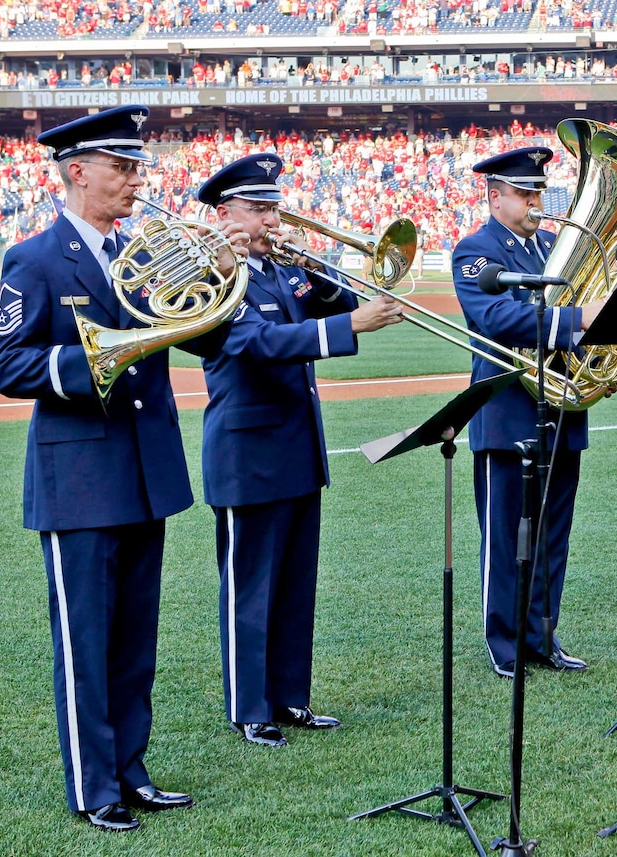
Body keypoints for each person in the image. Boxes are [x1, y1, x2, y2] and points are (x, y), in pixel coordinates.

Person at [0, 105, 246, 832]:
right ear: (77, 172)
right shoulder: (34, 259)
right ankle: (93, 785)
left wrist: (224, 277)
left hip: (144, 471)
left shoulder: (147, 253)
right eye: (122, 167)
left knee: (135, 645)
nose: (136, 181)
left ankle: (132, 769)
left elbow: (213, 340)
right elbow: (7, 365)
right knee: (87, 645)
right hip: (78, 481)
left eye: (137, 167)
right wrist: (95, 358)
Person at [196, 154, 403, 746]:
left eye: (272, 208)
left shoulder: (283, 270)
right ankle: (249, 708)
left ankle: (290, 699)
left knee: (294, 587)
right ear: (224, 214)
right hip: (247, 454)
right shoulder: (211, 279)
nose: (270, 219)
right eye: (257, 209)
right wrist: (351, 329)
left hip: (296, 451)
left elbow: (335, 301)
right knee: (250, 590)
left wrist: (319, 264)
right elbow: (256, 343)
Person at [451, 147, 604, 678]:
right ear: (495, 197)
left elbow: (574, 326)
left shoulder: (552, 250)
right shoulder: (476, 251)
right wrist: (582, 317)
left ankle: (543, 636)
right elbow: (497, 316)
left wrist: (599, 346)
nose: (535, 201)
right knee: (505, 536)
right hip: (507, 413)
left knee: (552, 535)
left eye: (538, 191)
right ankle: (505, 643)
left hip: (563, 411)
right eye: (523, 193)